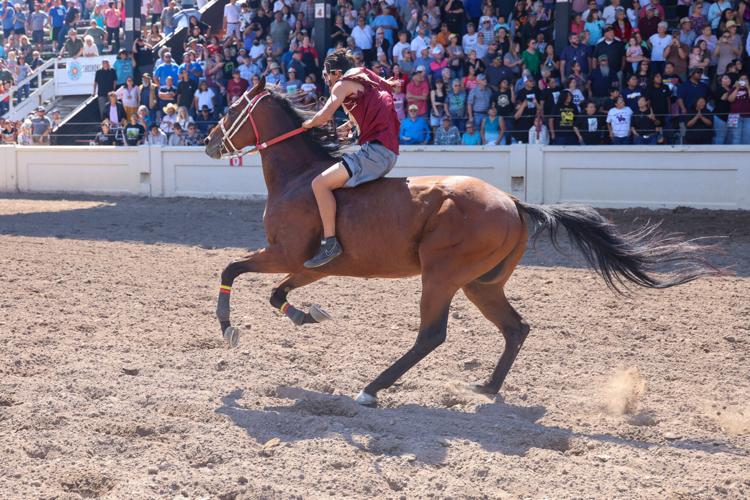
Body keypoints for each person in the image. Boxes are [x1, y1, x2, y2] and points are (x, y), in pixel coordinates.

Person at [299, 49, 400, 268]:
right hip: (386, 151)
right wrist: (350, 126)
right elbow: (368, 110)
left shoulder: (342, 84)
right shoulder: (365, 78)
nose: (326, 80)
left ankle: (331, 243)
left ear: (335, 72)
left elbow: (325, 115)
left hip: (376, 153)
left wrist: (306, 125)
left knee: (319, 185)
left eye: (327, 75)